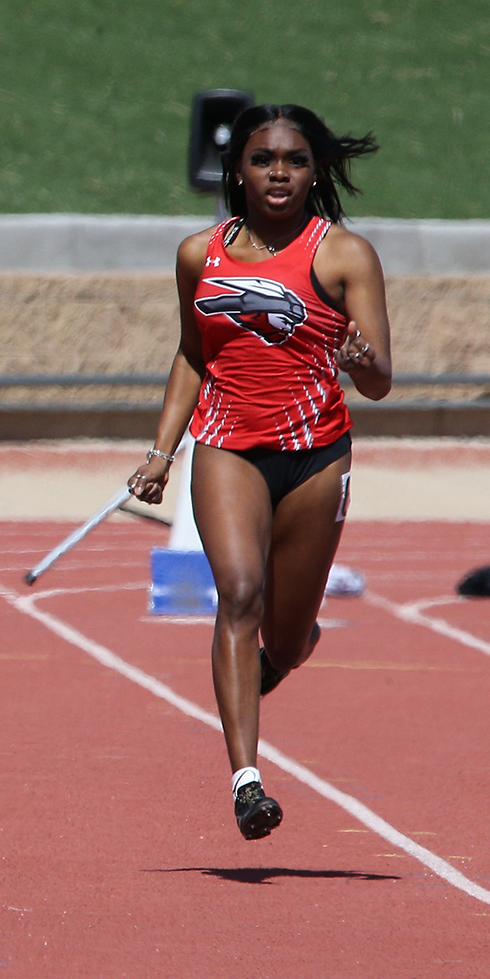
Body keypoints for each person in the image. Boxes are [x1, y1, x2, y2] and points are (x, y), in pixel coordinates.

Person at [128, 104, 389, 840]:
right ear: (236, 170)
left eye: (296, 161)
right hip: (227, 447)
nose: (279, 173)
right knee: (238, 594)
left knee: (287, 629)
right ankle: (247, 781)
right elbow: (191, 352)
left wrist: (363, 361)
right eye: (264, 160)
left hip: (315, 456)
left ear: (316, 172)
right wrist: (161, 450)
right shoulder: (196, 255)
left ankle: (292, 644)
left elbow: (380, 381)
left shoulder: (343, 256)